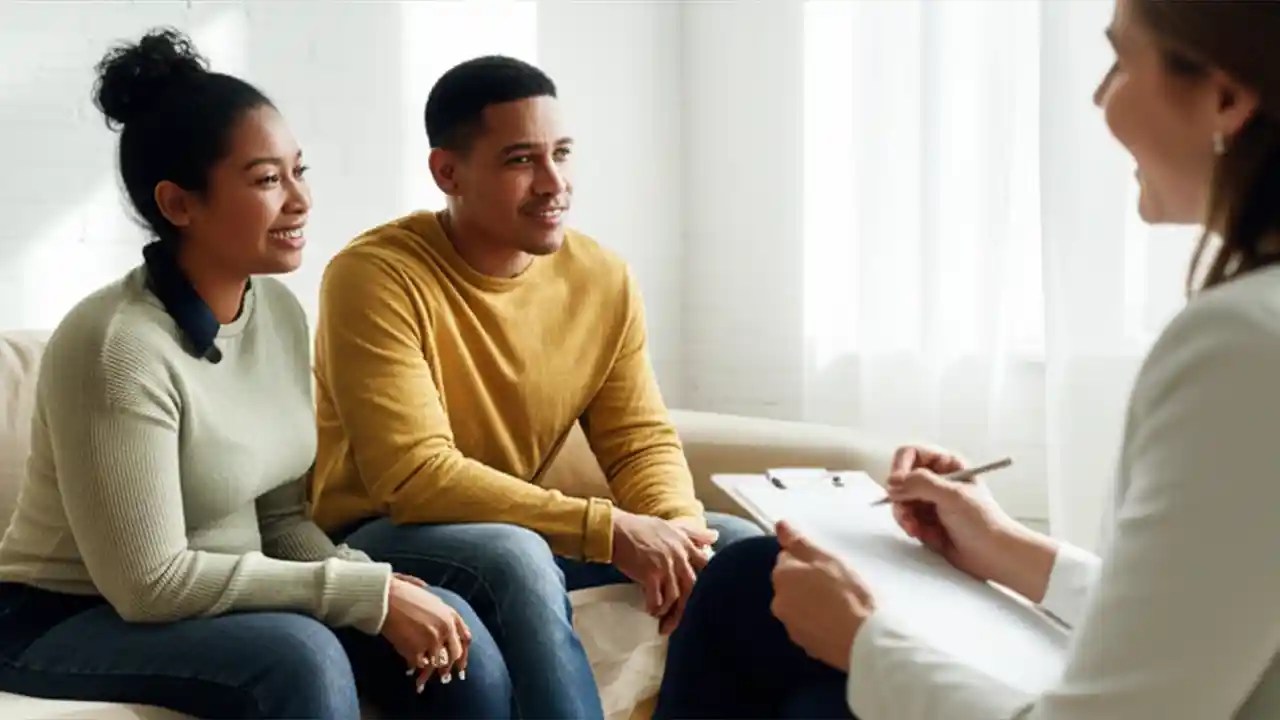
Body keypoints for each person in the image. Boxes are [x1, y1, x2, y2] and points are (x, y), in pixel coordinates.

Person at [655, 0, 1280, 717]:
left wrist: (865, 643)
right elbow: (1198, 619)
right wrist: (1008, 548)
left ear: (1226, 97)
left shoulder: (1241, 346)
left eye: (1119, 62)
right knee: (752, 585)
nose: (1099, 96)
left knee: (759, 610)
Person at [0, 28, 512, 720]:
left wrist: (377, 581)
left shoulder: (276, 312)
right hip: (60, 619)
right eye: (267, 180)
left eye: (299, 171)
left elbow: (280, 518)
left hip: (206, 601)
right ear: (179, 204)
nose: (299, 200)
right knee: (298, 655)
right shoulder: (116, 345)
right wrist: (361, 597)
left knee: (455, 627)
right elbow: (149, 584)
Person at [308, 55, 764, 718]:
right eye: (521, 160)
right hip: (384, 534)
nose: (554, 183)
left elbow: (638, 440)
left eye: (562, 154)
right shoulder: (375, 276)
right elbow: (413, 476)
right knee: (515, 553)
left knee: (737, 551)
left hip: (520, 531)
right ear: (448, 172)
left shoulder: (600, 277)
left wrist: (680, 532)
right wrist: (608, 530)